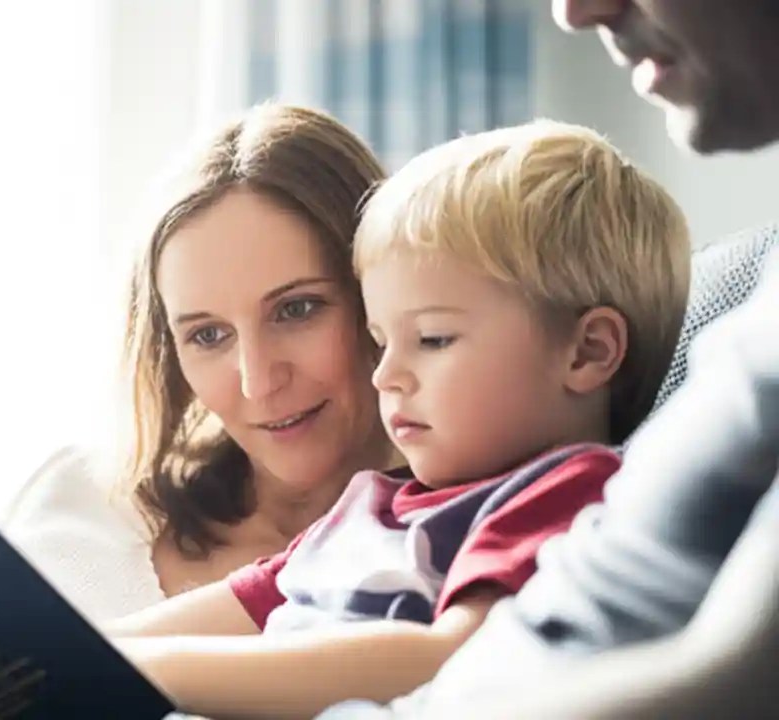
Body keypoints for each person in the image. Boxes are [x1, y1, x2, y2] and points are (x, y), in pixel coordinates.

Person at [0, 103, 402, 720]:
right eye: (207, 335)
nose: (258, 382)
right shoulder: (89, 499)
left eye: (297, 309)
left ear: (385, 294)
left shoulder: (453, 550)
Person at [110, 119, 692, 720]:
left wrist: (157, 672)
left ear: (588, 350)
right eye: (381, 340)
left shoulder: (569, 495)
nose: (385, 374)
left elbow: (459, 661)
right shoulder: (373, 508)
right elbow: (129, 644)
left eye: (433, 339)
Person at [316, 1, 779, 717]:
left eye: (434, 338)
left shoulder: (561, 486)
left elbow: (732, 677)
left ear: (591, 350)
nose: (574, 10)